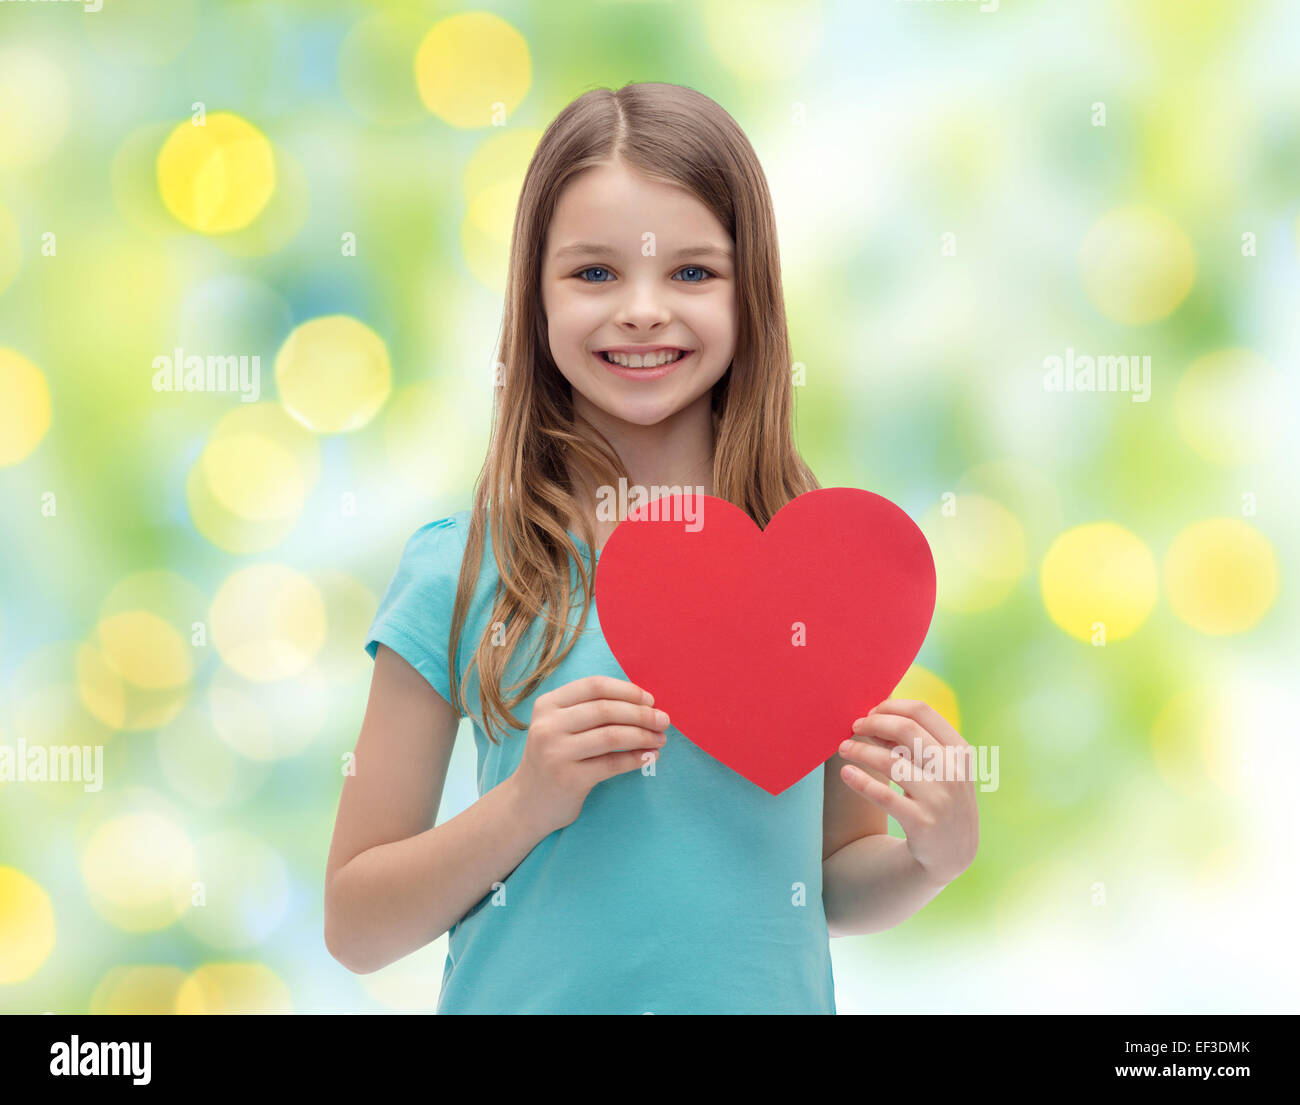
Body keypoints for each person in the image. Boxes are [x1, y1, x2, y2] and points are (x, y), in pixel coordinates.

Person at [324, 81, 977, 1014]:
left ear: (750, 293)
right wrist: (525, 804)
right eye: (594, 274)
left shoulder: (820, 571)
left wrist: (930, 860)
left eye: (692, 273)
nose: (640, 310)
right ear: (534, 294)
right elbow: (355, 926)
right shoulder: (462, 568)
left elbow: (823, 884)